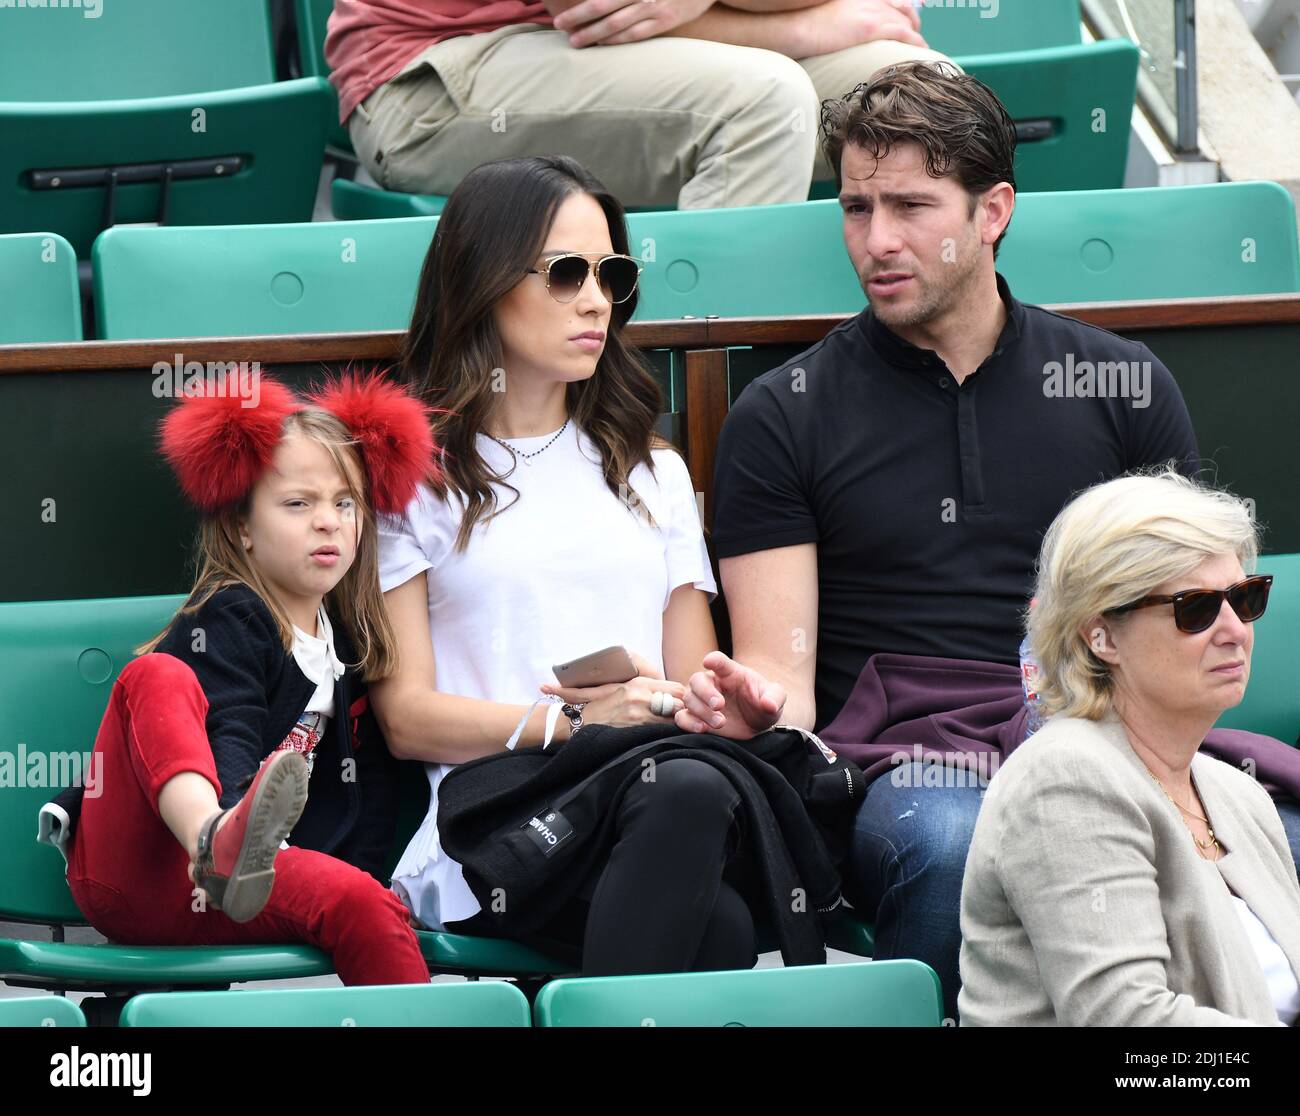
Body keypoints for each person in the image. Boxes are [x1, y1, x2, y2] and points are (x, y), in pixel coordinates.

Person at [674, 60, 1300, 1020]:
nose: (877, 240)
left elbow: (1187, 605)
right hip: (907, 761)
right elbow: (783, 680)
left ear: (993, 211)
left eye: (910, 207)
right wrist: (757, 709)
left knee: (1278, 829)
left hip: (1116, 731)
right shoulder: (783, 413)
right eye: (856, 209)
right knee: (952, 845)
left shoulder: (1120, 383)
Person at [369, 153, 794, 974]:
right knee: (720, 923)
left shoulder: (652, 471)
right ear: (484, 280)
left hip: (643, 796)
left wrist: (722, 706)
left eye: (612, 274)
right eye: (566, 273)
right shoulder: (413, 476)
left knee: (698, 820)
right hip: (496, 817)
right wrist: (571, 725)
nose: (597, 299)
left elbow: (688, 681)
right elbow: (407, 718)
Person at [38, 375, 436, 986]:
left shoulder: (350, 646)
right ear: (242, 528)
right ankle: (213, 833)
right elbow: (232, 731)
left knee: (367, 904)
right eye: (298, 504)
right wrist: (225, 829)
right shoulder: (230, 616)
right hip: (143, 870)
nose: (328, 522)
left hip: (245, 885)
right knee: (156, 673)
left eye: (345, 503)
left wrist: (352, 881)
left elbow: (370, 796)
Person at [959, 470, 1300, 1026]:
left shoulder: (1239, 794)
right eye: (1195, 608)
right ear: (1102, 636)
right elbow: (1126, 1020)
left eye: (1246, 597)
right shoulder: (1065, 781)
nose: (1235, 629)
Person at [325, 0, 952, 209]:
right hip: (432, 75)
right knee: (764, 102)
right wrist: (806, 29)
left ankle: (908, 391)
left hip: (624, 43)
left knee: (921, 89)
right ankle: (709, 413)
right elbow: (591, 7)